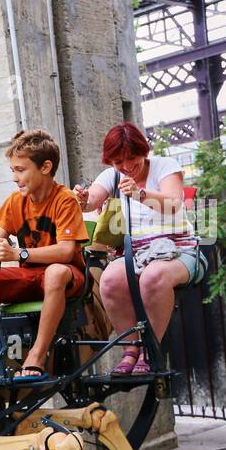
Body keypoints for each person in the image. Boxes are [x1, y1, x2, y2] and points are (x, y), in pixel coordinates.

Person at [0, 128, 87, 382]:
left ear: (45, 167)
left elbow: (66, 252)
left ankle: (36, 356)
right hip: (30, 276)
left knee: (55, 272)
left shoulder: (65, 200)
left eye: (20, 170)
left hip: (66, 278)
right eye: (13, 170)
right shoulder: (15, 201)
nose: (14, 177)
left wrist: (18, 253)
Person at [74, 122, 201, 375]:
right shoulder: (112, 175)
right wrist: (82, 199)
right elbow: (92, 201)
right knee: (109, 280)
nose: (127, 166)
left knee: (153, 277)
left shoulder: (165, 166)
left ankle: (150, 348)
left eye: (132, 158)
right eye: (119, 161)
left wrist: (140, 194)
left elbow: (175, 203)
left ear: (144, 151)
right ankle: (130, 349)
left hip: (178, 248)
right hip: (137, 252)